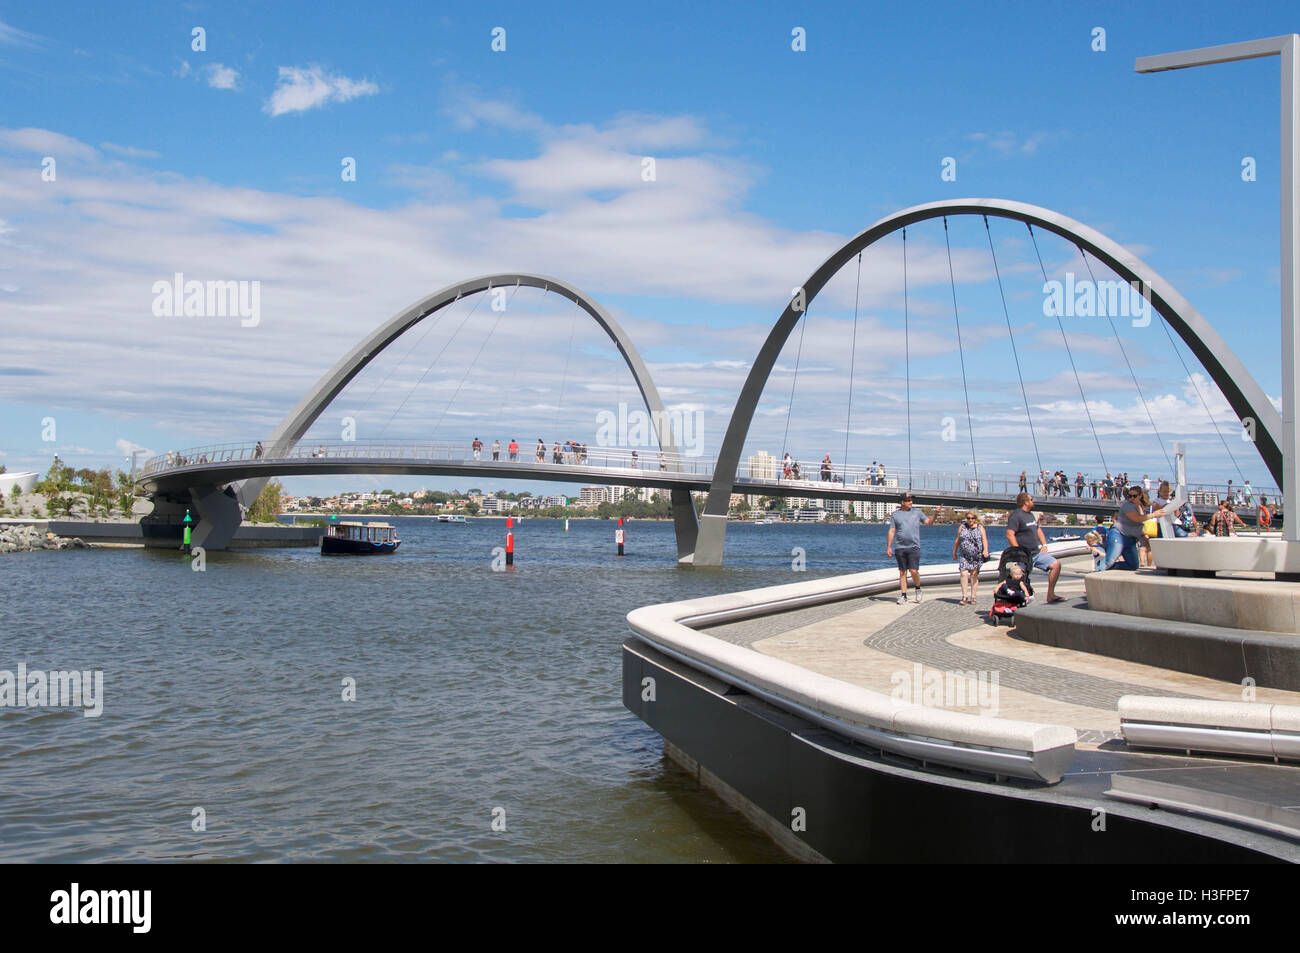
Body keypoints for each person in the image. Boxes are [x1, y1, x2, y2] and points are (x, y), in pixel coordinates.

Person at [1006, 492, 1064, 602]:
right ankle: (1016, 602)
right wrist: (1019, 551)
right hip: (1023, 556)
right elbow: (1009, 534)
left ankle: (1050, 595)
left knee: (1056, 565)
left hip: (1036, 554)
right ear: (1025, 502)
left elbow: (1038, 530)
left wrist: (1044, 544)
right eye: (1031, 499)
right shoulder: (1016, 515)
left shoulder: (1030, 515)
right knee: (1020, 579)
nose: (1033, 501)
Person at [1103, 485, 1168, 570]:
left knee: (1133, 565)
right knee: (1110, 560)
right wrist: (1154, 514)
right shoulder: (1127, 505)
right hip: (1119, 534)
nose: (1131, 498)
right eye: (1129, 496)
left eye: (1134, 496)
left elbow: (1138, 523)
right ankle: (1100, 570)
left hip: (1131, 538)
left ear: (1140, 495)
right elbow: (1136, 518)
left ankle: (1111, 568)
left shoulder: (1140, 505)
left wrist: (1143, 535)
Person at [887, 493, 935, 604]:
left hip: (914, 547)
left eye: (911, 500)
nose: (911, 502)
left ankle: (918, 588)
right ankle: (903, 595)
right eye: (908, 500)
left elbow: (929, 522)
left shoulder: (917, 512)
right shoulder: (895, 515)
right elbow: (892, 531)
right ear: (902, 502)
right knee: (902, 572)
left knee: (913, 571)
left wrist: (935, 514)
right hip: (900, 547)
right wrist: (889, 546)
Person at [952, 510, 988, 605]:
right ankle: (964, 596)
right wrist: (954, 552)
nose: (970, 520)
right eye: (968, 518)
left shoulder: (980, 528)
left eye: (972, 518)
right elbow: (957, 540)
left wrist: (985, 550)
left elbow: (984, 540)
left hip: (976, 556)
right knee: (963, 574)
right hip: (964, 555)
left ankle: (973, 597)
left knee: (974, 575)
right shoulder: (962, 527)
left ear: (975, 519)